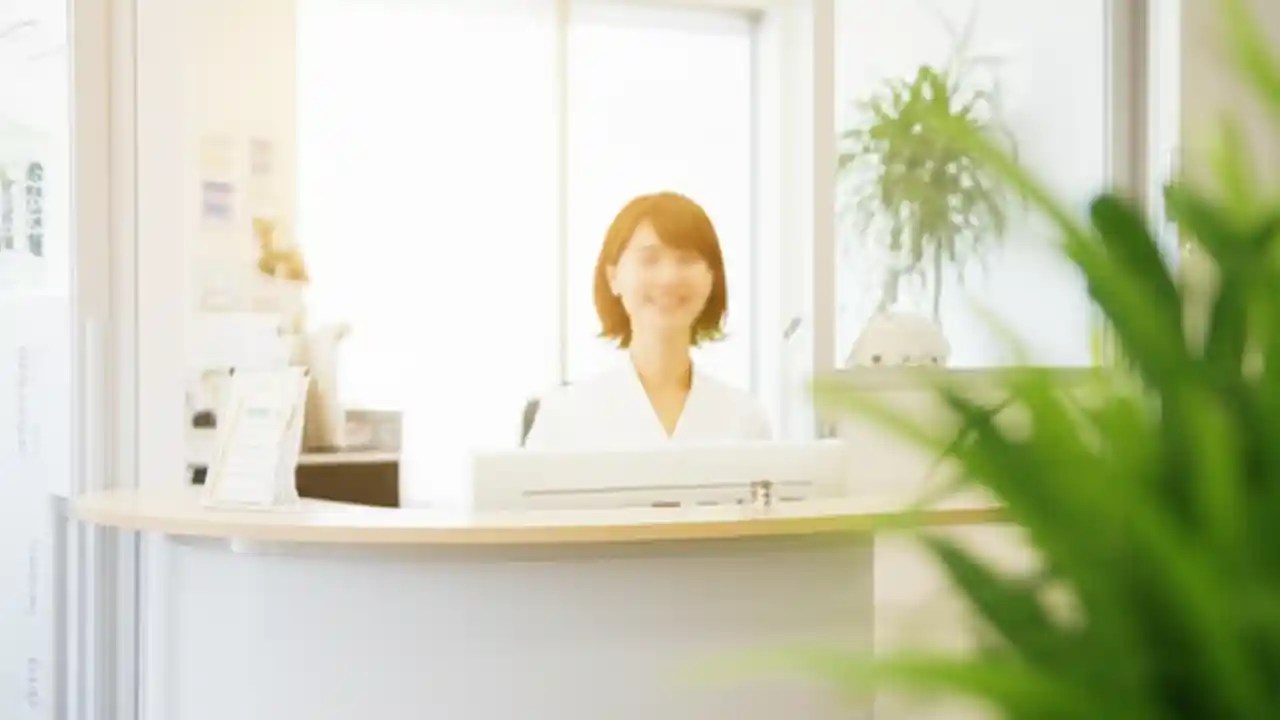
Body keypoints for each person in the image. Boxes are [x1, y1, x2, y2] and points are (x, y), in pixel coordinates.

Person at [525, 191, 771, 449]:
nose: (669, 278)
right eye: (650, 259)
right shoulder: (563, 417)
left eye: (686, 259)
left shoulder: (746, 420)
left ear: (712, 278)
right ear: (613, 278)